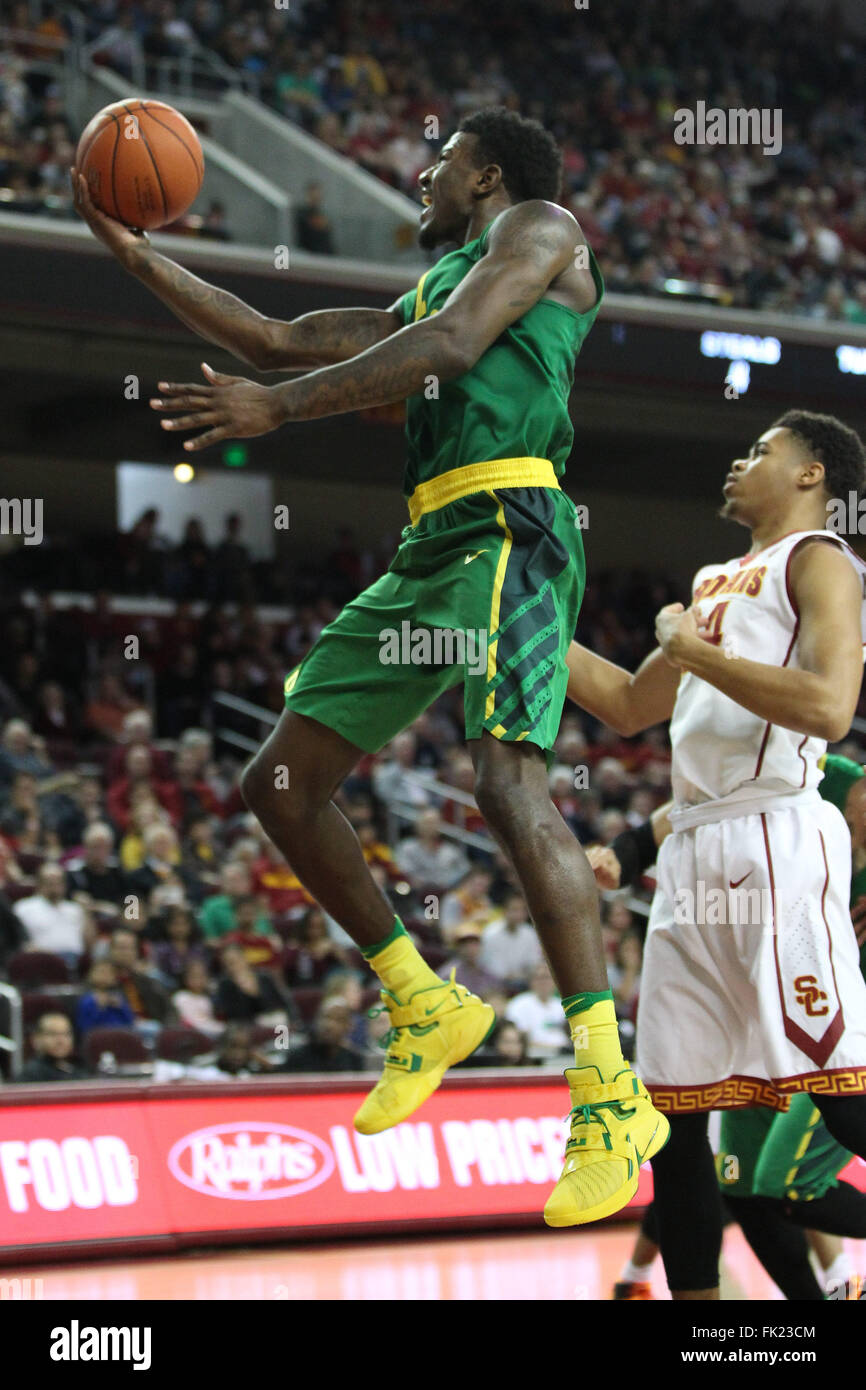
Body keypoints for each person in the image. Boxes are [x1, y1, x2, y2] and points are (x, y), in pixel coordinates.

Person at [73, 105, 665, 1227]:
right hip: (430, 542)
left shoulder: (542, 230)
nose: (424, 179)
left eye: (439, 165)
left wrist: (279, 413)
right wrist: (134, 251)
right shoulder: (432, 286)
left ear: (486, 174)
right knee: (278, 785)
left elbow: (438, 354)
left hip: (511, 525)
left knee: (504, 784)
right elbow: (274, 339)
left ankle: (604, 1085)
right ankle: (421, 997)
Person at [565, 410, 866, 1297]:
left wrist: (696, 651)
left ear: (812, 476)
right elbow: (625, 704)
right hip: (693, 850)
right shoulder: (713, 581)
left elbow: (827, 708)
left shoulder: (822, 562)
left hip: (776, 839)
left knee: (843, 1091)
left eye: (760, 451)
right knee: (675, 1118)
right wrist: (521, 634)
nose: (738, 462)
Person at [13, 862, 95, 969]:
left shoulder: (74, 908)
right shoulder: (24, 907)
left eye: (58, 882)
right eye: (49, 882)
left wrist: (87, 912)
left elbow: (89, 944)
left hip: (75, 960)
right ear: (39, 884)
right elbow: (16, 939)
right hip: (42, 961)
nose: (54, 886)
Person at [505, 960, 570, 1063]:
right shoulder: (519, 1004)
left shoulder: (563, 1005)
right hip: (532, 1060)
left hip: (564, 1058)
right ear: (531, 981)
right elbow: (517, 1041)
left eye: (548, 978)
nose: (544, 982)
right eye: (539, 978)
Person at [479, 891, 543, 990]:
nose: (519, 914)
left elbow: (533, 964)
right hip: (495, 985)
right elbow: (495, 971)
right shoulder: (491, 934)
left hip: (525, 983)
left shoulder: (530, 933)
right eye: (514, 910)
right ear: (504, 911)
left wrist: (526, 975)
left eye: (523, 910)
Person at [284, 997, 367, 1073]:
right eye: (325, 1017)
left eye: (338, 1019)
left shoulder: (354, 1060)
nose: (329, 1025)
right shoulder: (297, 1057)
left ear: (349, 1026)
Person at [14, 1012, 90, 1083]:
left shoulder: (81, 1066)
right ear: (36, 1039)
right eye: (52, 1034)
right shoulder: (31, 1075)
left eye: (66, 1034)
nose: (61, 1040)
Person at [75, 960, 135, 1035]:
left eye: (110, 973)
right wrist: (99, 1009)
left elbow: (131, 1021)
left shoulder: (118, 997)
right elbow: (84, 1027)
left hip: (122, 1035)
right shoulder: (86, 1000)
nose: (105, 976)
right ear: (91, 974)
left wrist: (121, 1007)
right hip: (98, 1037)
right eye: (101, 972)